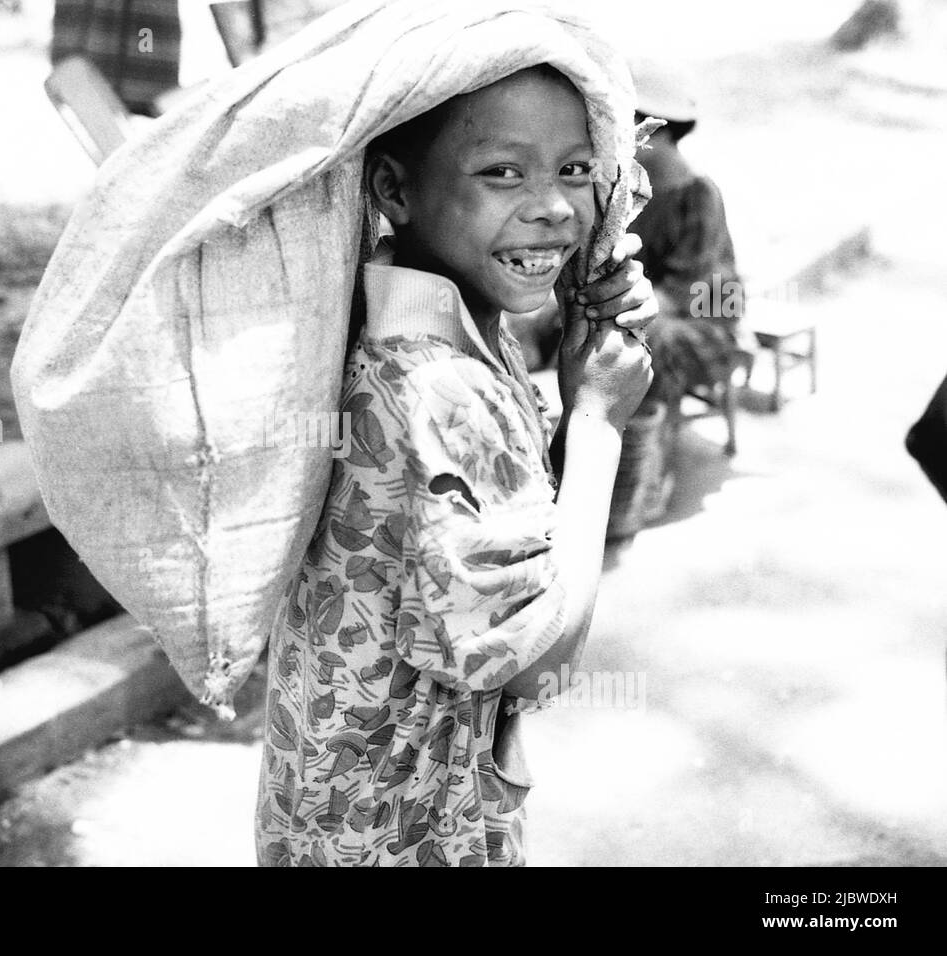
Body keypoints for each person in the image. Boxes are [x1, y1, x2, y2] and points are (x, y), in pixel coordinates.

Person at [255, 64, 657, 867]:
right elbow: (538, 667)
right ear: (395, 190)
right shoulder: (440, 387)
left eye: (575, 171)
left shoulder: (397, 307)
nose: (551, 207)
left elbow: (486, 522)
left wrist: (576, 321)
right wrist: (599, 421)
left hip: (331, 808)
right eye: (502, 172)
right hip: (411, 834)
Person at [629, 62, 743, 409]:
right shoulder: (631, 189)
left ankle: (646, 451)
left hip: (704, 330)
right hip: (648, 313)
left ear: (654, 128)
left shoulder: (698, 195)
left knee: (634, 340)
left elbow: (689, 293)